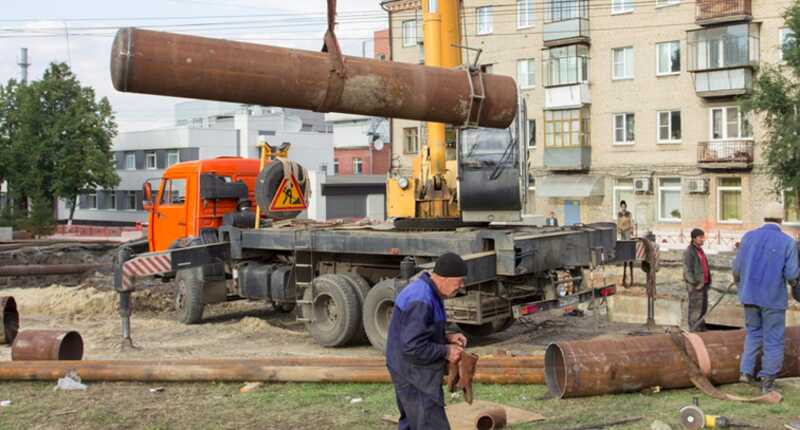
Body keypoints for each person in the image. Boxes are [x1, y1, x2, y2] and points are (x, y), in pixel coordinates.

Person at [386, 252, 468, 430]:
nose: (461, 287)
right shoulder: (421, 299)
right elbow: (413, 347)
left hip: (406, 369)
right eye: (459, 281)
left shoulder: (428, 291)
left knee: (412, 423)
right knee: (430, 424)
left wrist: (447, 337)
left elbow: (420, 331)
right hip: (414, 375)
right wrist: (446, 351)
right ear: (443, 278)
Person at [733, 202, 799, 394]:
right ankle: (767, 379)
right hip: (773, 299)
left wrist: (742, 287)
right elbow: (792, 274)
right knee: (773, 338)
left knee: (753, 332)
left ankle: (745, 372)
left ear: (764, 218)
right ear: (781, 219)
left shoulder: (748, 237)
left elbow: (736, 269)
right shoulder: (787, 242)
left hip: (749, 296)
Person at [683, 228, 711, 332]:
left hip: (704, 285)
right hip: (696, 287)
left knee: (703, 309)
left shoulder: (700, 251)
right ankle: (694, 330)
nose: (703, 239)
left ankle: (701, 328)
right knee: (695, 309)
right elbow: (687, 271)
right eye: (700, 237)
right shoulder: (689, 251)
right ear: (694, 238)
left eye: (703, 237)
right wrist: (695, 283)